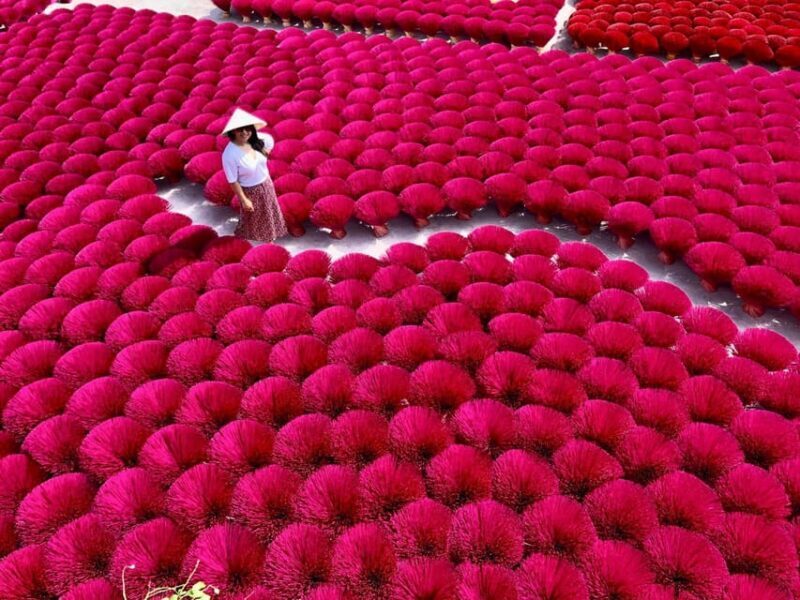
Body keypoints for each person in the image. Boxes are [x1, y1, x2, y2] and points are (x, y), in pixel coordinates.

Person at [221, 108, 288, 242]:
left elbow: (269, 139)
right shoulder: (229, 154)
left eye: (248, 129)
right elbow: (233, 180)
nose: (245, 132)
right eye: (240, 129)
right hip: (251, 190)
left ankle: (269, 238)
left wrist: (266, 151)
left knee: (270, 212)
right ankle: (266, 241)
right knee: (256, 217)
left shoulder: (255, 140)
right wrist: (244, 199)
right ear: (233, 131)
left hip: (266, 184)